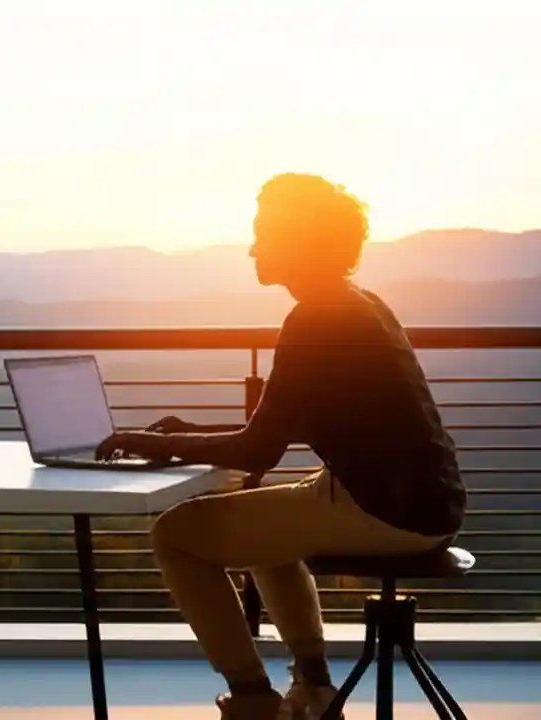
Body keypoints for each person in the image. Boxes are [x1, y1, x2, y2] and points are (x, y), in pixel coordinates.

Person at [95, 173, 466, 720]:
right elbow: (273, 431)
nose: (253, 248)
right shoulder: (355, 304)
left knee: (174, 535)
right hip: (422, 501)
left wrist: (163, 444)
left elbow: (258, 450)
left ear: (298, 243)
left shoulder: (316, 318)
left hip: (387, 510)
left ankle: (251, 701)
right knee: (266, 521)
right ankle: (312, 687)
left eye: (264, 235)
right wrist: (184, 436)